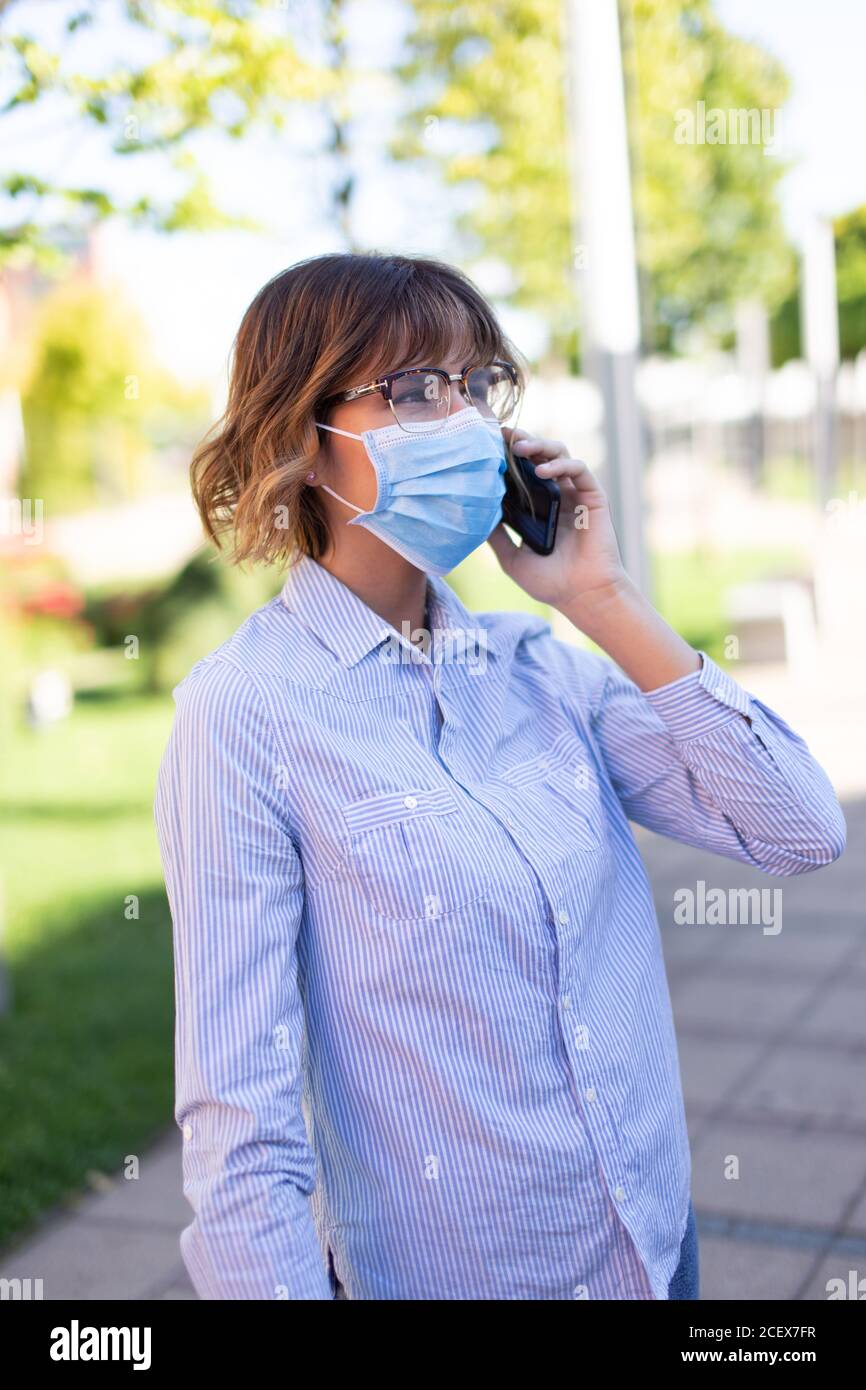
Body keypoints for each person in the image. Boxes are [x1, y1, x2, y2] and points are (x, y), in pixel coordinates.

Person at [154, 252, 846, 1301]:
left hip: (651, 1254)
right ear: (302, 434)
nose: (468, 420)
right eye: (418, 388)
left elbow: (798, 829)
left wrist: (603, 597)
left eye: (478, 384)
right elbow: (239, 1121)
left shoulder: (543, 669)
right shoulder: (243, 714)